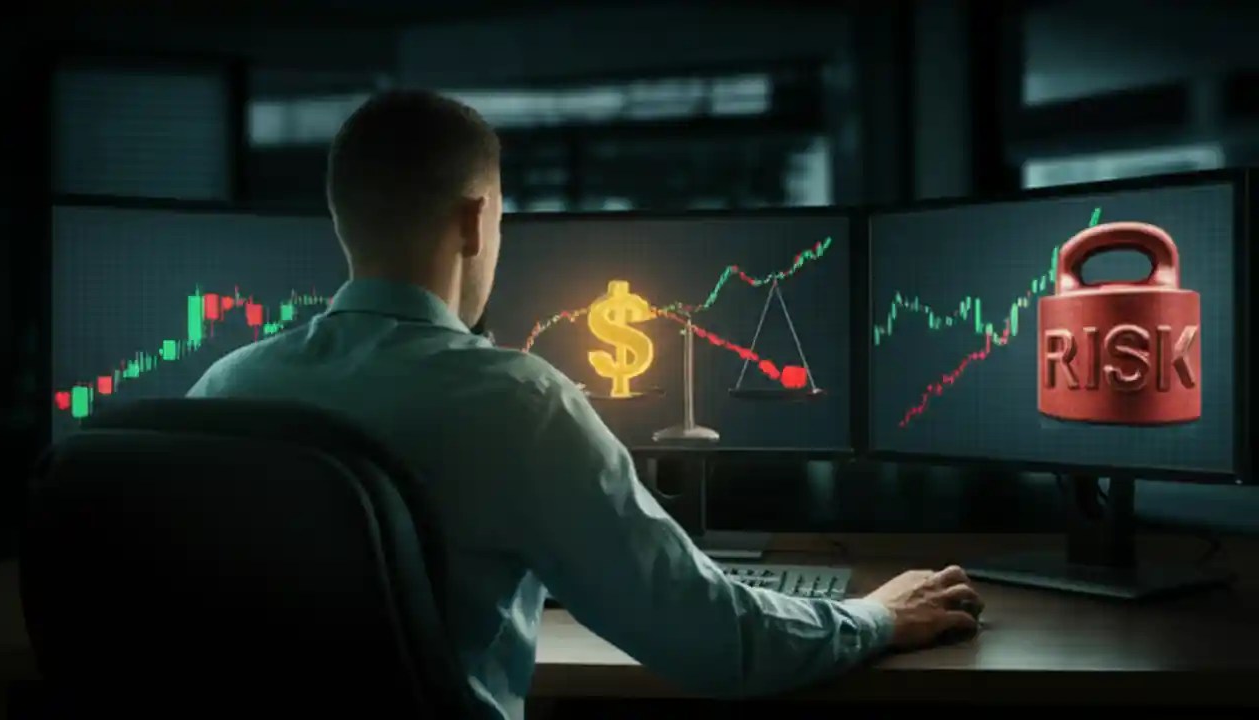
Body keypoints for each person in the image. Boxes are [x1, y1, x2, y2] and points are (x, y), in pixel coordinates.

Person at [187, 89, 983, 719]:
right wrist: (876, 618)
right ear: (475, 221)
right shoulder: (518, 401)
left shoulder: (222, 391)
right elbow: (713, 641)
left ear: (342, 219)